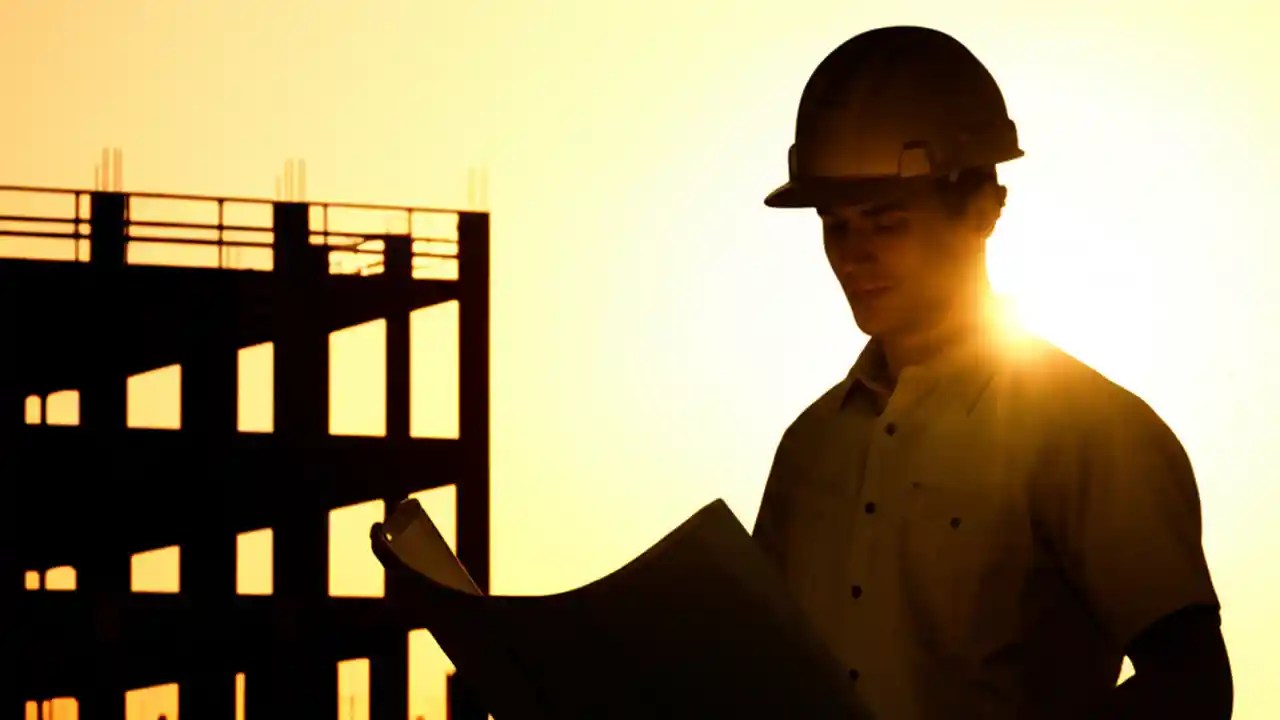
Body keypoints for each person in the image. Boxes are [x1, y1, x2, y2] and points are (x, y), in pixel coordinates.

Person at [751, 25, 1233, 719]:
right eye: (837, 225)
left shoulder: (1089, 431)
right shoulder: (809, 450)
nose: (853, 256)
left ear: (984, 209)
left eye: (886, 224)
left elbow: (1192, 688)